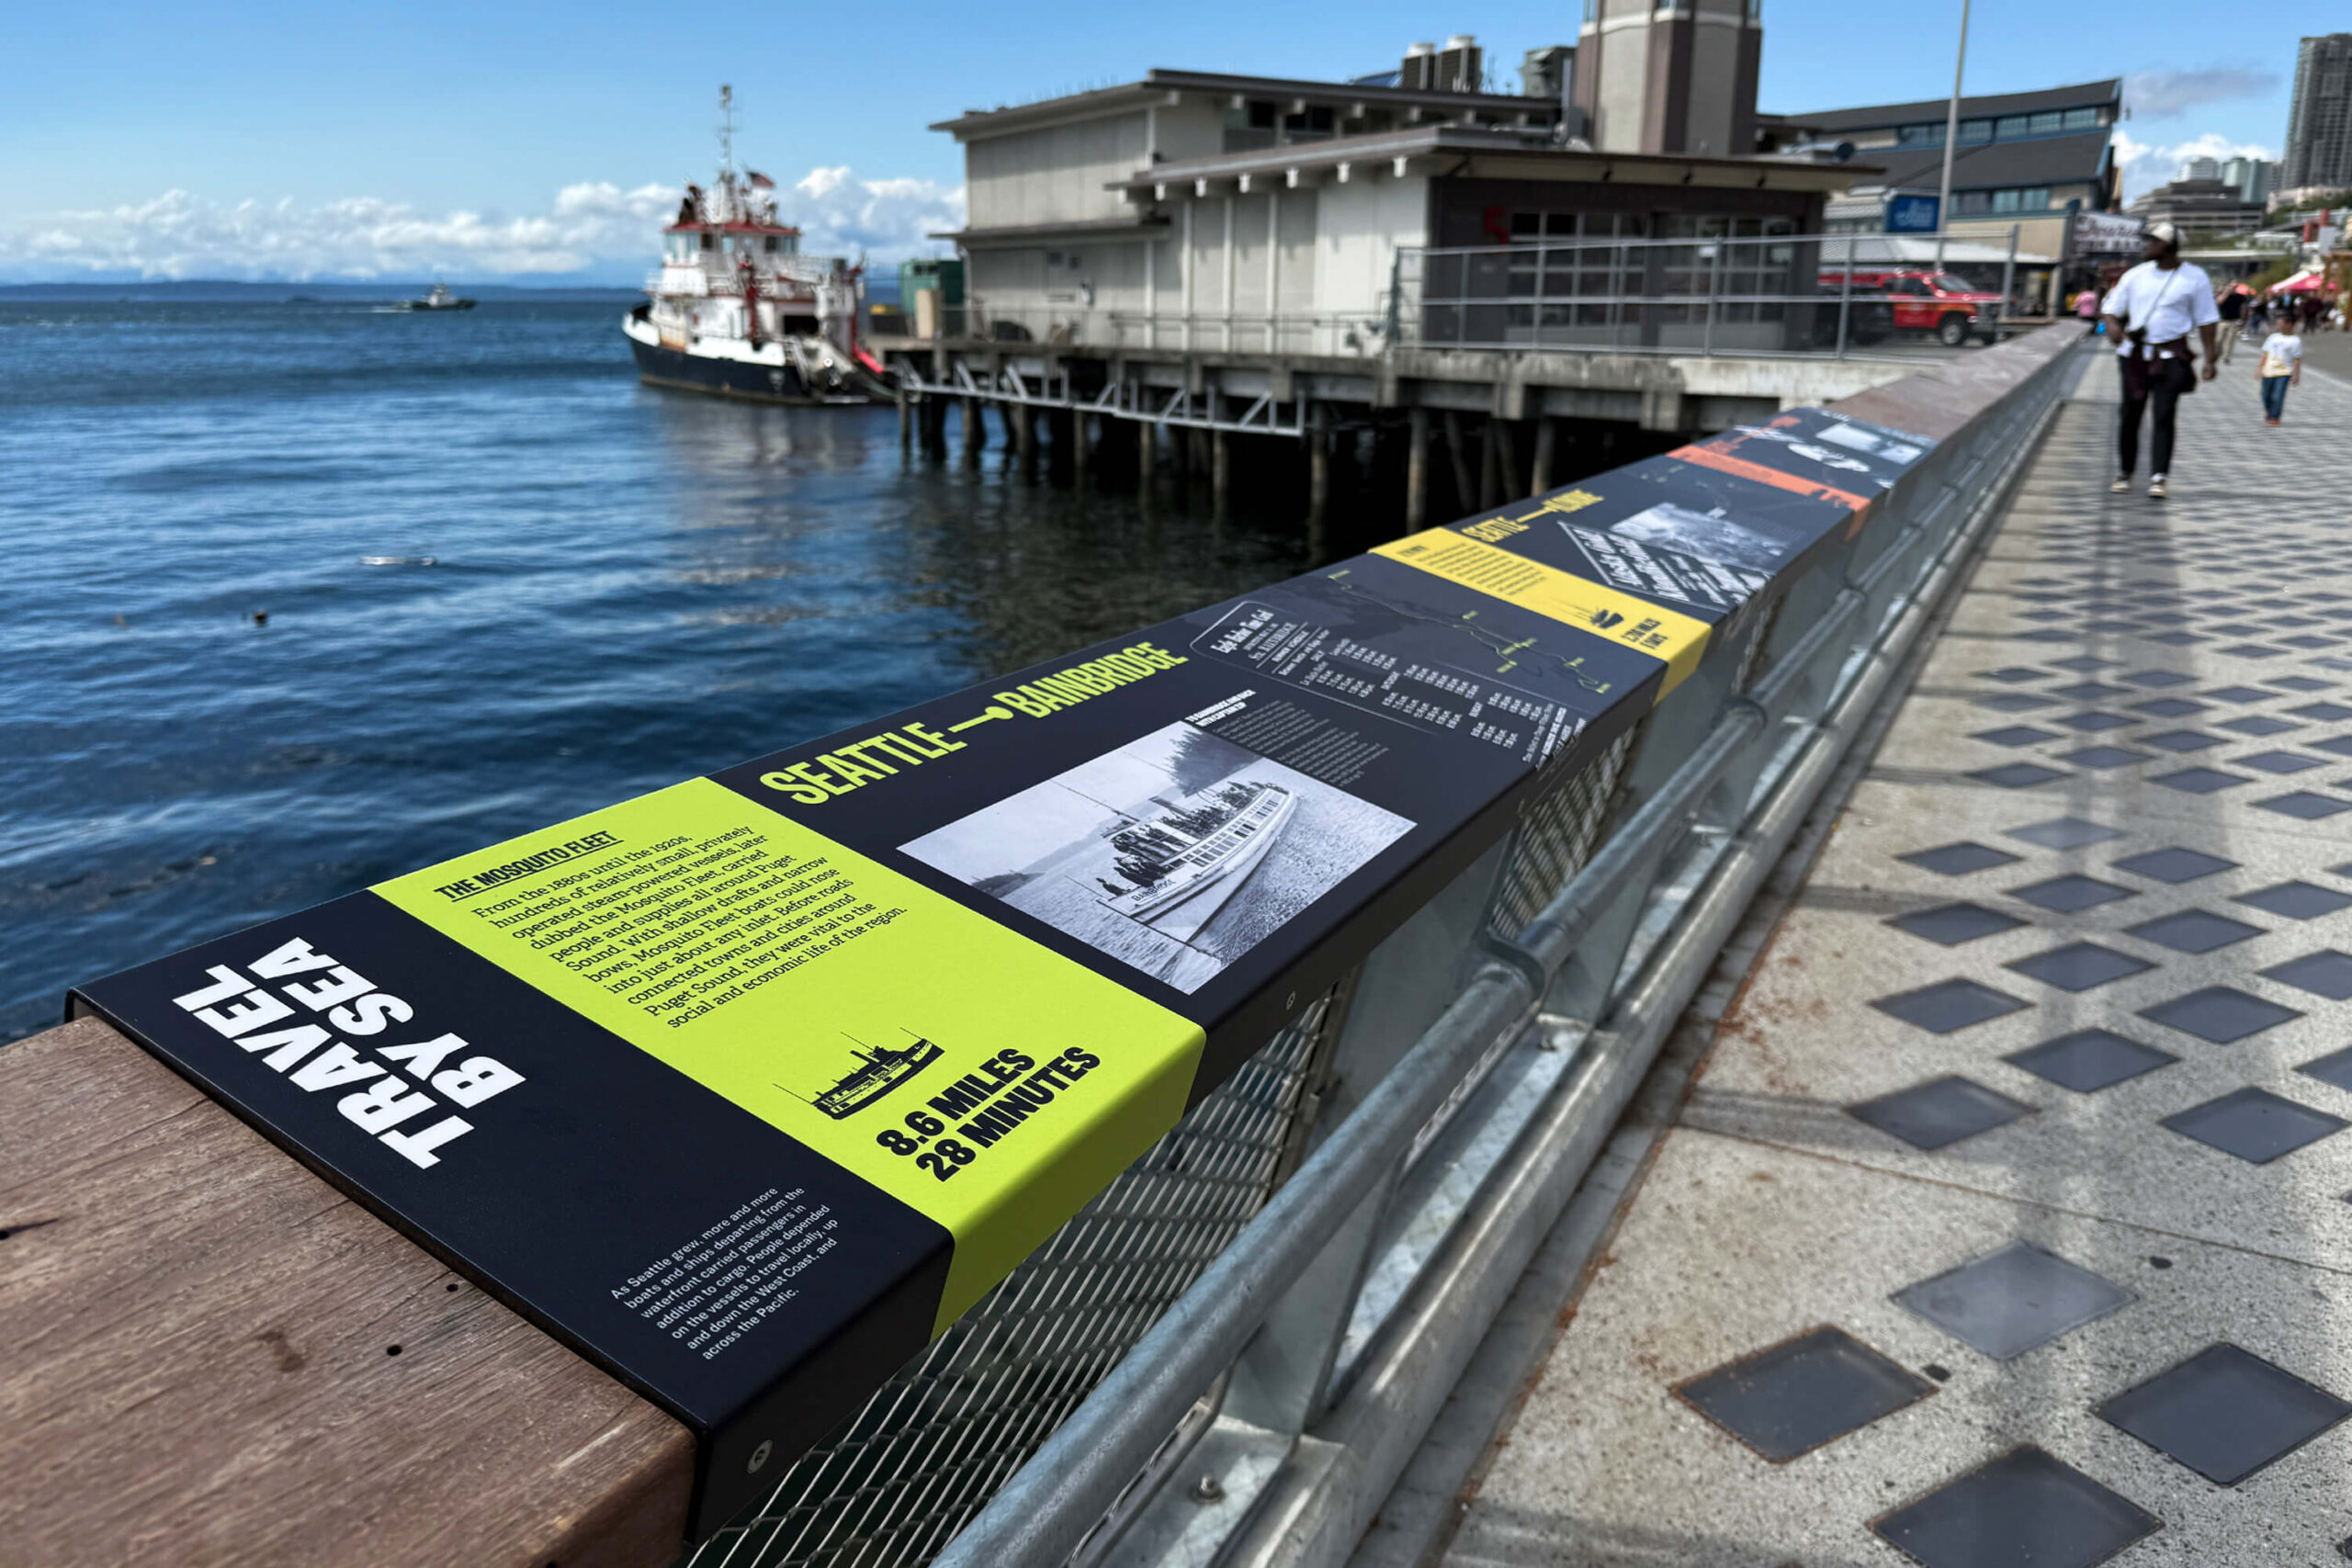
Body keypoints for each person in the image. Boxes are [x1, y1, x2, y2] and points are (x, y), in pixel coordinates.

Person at [2099, 221, 2220, 500]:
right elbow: (2111, 309)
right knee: (2130, 414)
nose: (2147, 246)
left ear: (2167, 246)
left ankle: (2159, 476)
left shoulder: (2195, 278)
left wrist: (2210, 358)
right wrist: (2114, 327)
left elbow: (2207, 320)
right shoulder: (2136, 275)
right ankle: (2125, 471)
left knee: (2165, 415)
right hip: (2134, 355)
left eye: (2152, 242)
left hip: (2170, 356)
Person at [2258, 315, 2304, 425]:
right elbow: (2265, 353)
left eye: (2281, 323)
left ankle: (2275, 416)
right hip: (2268, 371)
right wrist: (2259, 367)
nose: (2278, 325)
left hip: (2284, 372)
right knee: (2265, 395)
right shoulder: (2273, 337)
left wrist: (2296, 375)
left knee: (2278, 395)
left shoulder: (2295, 340)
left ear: (2290, 325)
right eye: (2278, 323)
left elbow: (2296, 359)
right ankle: (2269, 411)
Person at [2214, 282, 2247, 364]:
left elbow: (2244, 308)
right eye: (2231, 286)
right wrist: (2226, 293)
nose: (2233, 288)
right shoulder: (2223, 295)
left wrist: (2243, 320)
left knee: (2230, 340)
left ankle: (2227, 357)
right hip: (2222, 321)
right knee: (2218, 340)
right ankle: (2219, 352)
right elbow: (2219, 302)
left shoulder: (2240, 297)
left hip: (2234, 321)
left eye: (2235, 287)